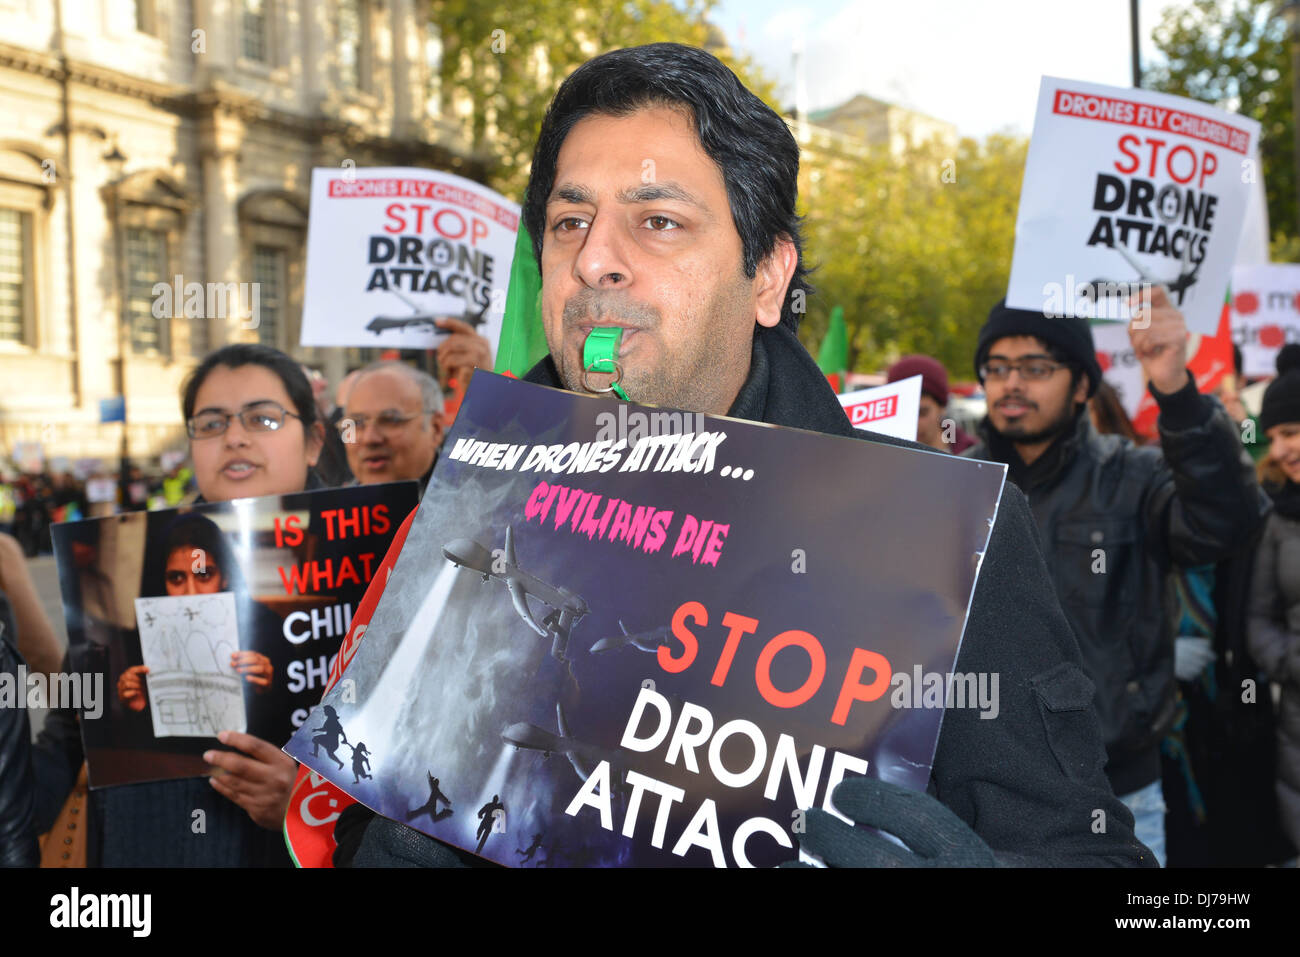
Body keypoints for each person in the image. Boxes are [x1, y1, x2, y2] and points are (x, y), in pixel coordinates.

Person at [334, 43, 1151, 868]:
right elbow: (376, 786)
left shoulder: (940, 540)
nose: (593, 259)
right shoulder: (474, 502)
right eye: (569, 221)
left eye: (657, 220)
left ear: (766, 276)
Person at [965, 298, 1266, 867]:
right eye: (997, 367)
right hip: (986, 804)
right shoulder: (961, 484)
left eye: (1035, 368)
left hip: (1119, 798)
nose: (1011, 383)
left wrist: (1175, 390)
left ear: (1082, 385)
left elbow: (1226, 523)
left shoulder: (1131, 475)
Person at [35, 343, 327, 866]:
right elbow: (61, 746)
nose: (235, 437)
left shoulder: (381, 570)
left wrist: (308, 808)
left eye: (263, 418)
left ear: (313, 441)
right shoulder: (128, 611)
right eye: (210, 423)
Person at [1246, 344, 1300, 855]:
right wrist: (1287, 662)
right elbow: (1259, 614)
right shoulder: (1278, 519)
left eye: (1294, 431)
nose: (1283, 448)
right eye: (1277, 435)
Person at [340, 361, 446, 489]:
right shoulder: (329, 507)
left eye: (391, 420)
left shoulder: (470, 503)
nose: (370, 438)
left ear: (435, 429)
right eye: (357, 423)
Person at [886, 354, 973, 453]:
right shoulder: (883, 458)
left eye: (922, 413)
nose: (914, 424)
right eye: (903, 413)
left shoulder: (977, 458)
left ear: (942, 408)